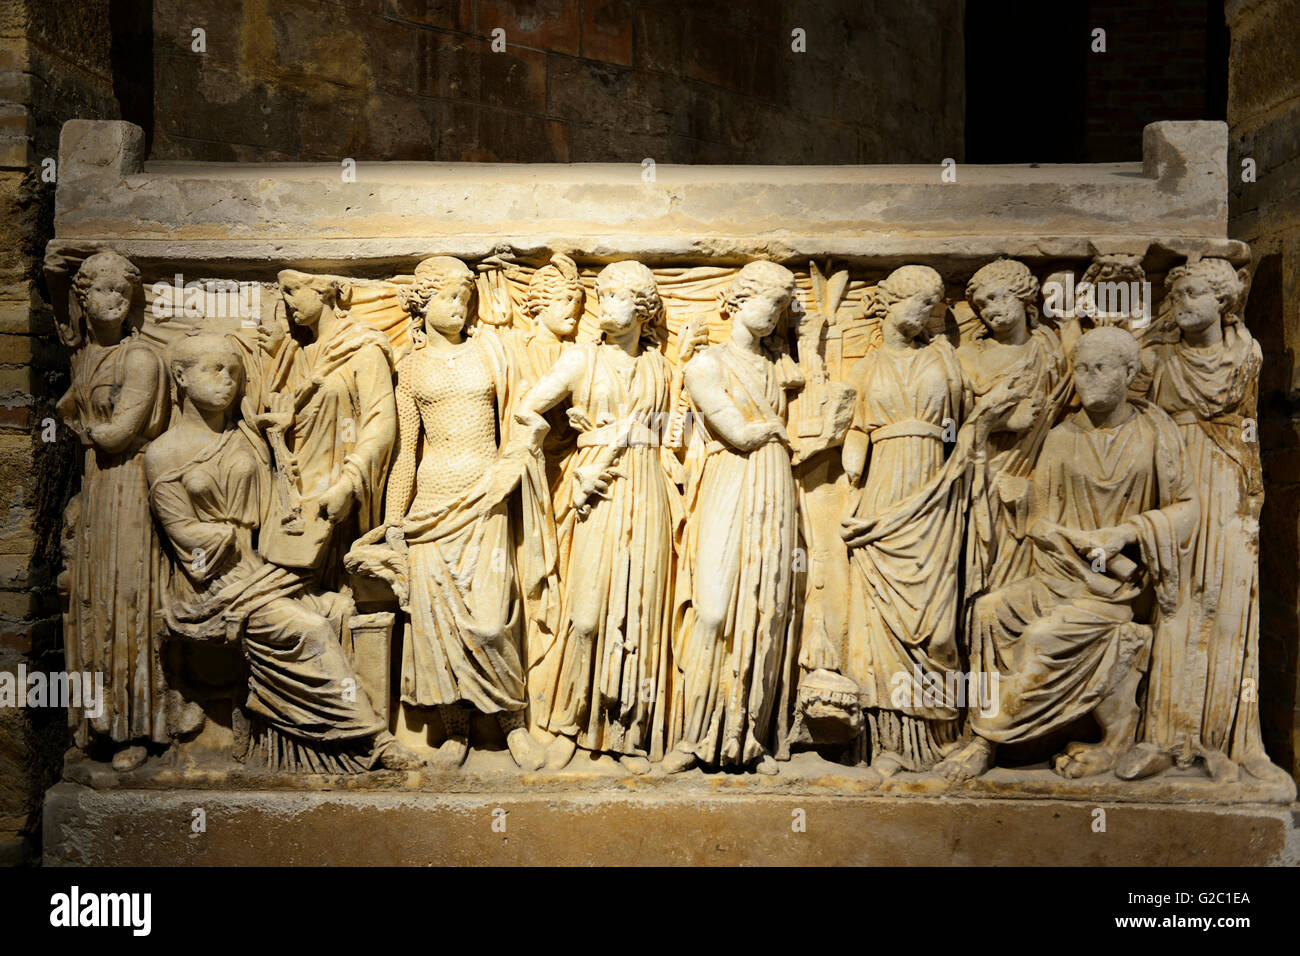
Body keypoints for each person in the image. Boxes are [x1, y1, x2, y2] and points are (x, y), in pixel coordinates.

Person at [145, 334, 420, 772]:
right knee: (309, 628)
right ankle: (373, 740)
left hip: (266, 569)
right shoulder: (163, 453)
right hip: (212, 584)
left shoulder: (247, 440)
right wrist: (231, 538)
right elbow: (182, 535)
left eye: (234, 373)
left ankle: (303, 748)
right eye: (214, 370)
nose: (227, 382)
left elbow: (278, 500)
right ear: (180, 376)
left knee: (343, 609)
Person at [938, 327, 1198, 781]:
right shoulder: (1060, 437)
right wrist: (1022, 501)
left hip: (1111, 589)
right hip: (1060, 575)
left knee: (1042, 638)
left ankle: (987, 740)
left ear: (1130, 372)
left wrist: (1124, 533)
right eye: (1080, 368)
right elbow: (1044, 520)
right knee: (987, 613)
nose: (1087, 378)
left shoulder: (1156, 432)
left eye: (1101, 368)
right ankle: (992, 730)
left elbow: (1186, 508)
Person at [375, 256, 548, 770]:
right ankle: (456, 731)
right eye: (450, 297)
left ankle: (514, 724)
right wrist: (393, 523)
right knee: (435, 628)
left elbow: (522, 405)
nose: (460, 308)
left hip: (486, 499)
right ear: (424, 303)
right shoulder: (409, 368)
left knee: (493, 621)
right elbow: (406, 451)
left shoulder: (493, 351)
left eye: (466, 299)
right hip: (429, 505)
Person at [514, 259, 682, 774]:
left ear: (645, 310)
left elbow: (679, 435)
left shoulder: (662, 368)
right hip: (597, 487)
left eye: (615, 296)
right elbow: (527, 407)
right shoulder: (581, 360)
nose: (602, 304)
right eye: (600, 294)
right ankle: (566, 722)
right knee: (586, 617)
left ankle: (627, 734)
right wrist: (569, 458)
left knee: (639, 610)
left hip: (648, 487)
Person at [1124, 258, 1284, 783]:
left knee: (1231, 603)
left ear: (1224, 300)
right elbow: (1123, 425)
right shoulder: (1154, 358)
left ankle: (1235, 741)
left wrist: (1252, 494)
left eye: (1196, 294)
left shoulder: (1248, 354)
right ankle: (1164, 738)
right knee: (1175, 603)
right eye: (1178, 295)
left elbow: (1252, 428)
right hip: (1175, 486)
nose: (1183, 304)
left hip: (1230, 484)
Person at [663, 261, 803, 774]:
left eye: (785, 306)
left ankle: (748, 735)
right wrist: (773, 428)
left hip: (773, 483)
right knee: (716, 610)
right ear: (739, 300)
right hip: (728, 480)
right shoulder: (705, 364)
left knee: (765, 607)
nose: (777, 314)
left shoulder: (776, 368)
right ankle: (693, 734)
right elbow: (738, 432)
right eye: (771, 301)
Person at [55, 251, 171, 771]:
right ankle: (94, 724)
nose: (114, 301)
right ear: (84, 297)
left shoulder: (140, 359)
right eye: (103, 290)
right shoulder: (82, 359)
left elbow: (116, 433)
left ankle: (134, 728)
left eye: (123, 293)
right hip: (97, 487)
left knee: (127, 598)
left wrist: (87, 431)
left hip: (129, 483)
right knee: (91, 597)